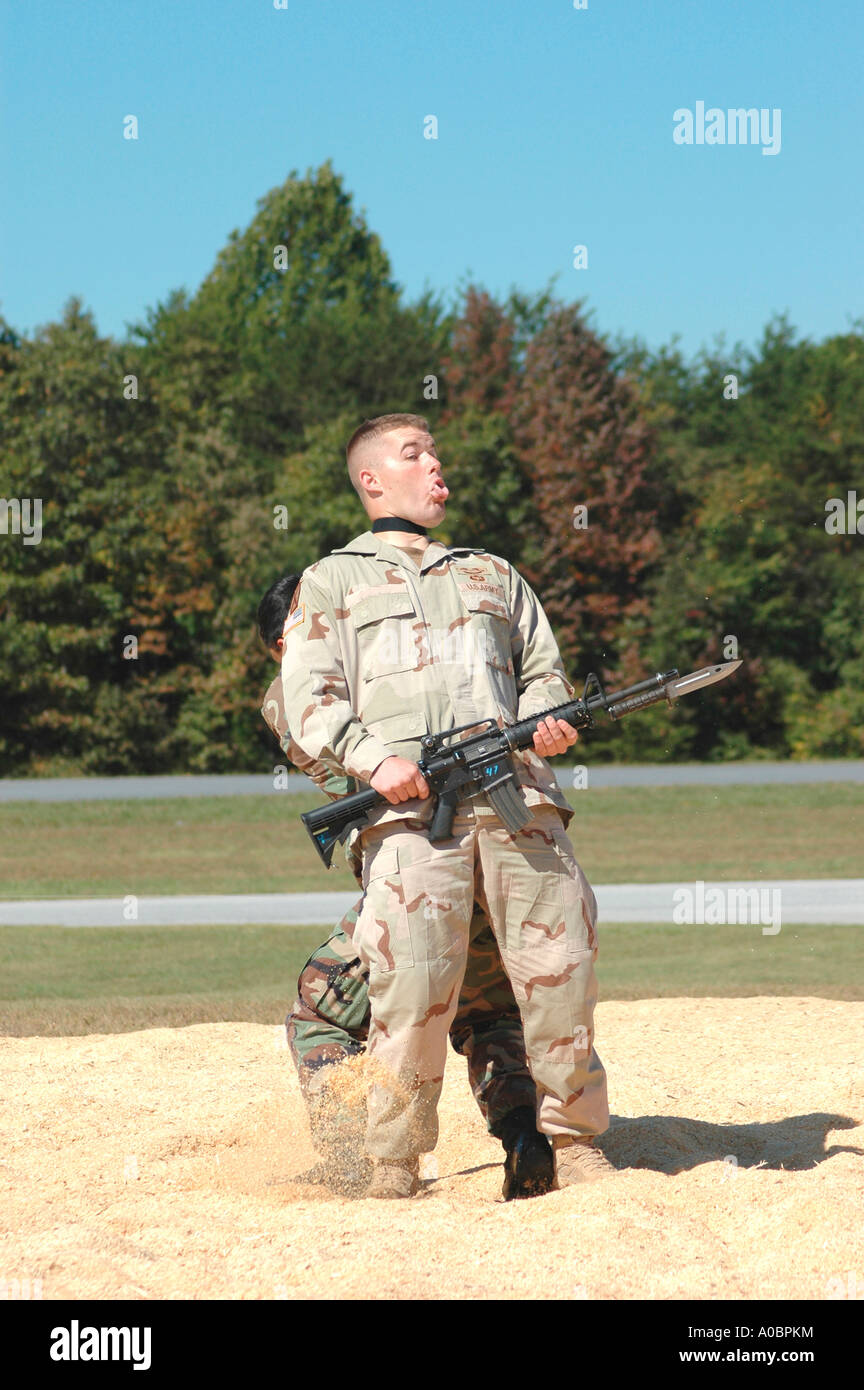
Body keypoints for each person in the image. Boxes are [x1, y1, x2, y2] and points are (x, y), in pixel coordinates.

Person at [281, 414, 615, 1198]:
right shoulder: (332, 581)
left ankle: (578, 1144)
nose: (435, 465)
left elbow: (543, 673)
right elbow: (309, 699)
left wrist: (551, 719)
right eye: (413, 454)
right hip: (409, 820)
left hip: (517, 803)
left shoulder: (492, 574)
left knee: (562, 968)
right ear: (372, 481)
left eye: (433, 450)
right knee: (412, 992)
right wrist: (374, 759)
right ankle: (395, 1162)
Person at [258, 575, 556, 1200]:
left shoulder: (308, 694)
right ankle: (525, 1136)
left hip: (413, 880)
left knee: (320, 1010)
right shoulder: (376, 662)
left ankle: (355, 1155)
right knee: (487, 1010)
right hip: (494, 865)